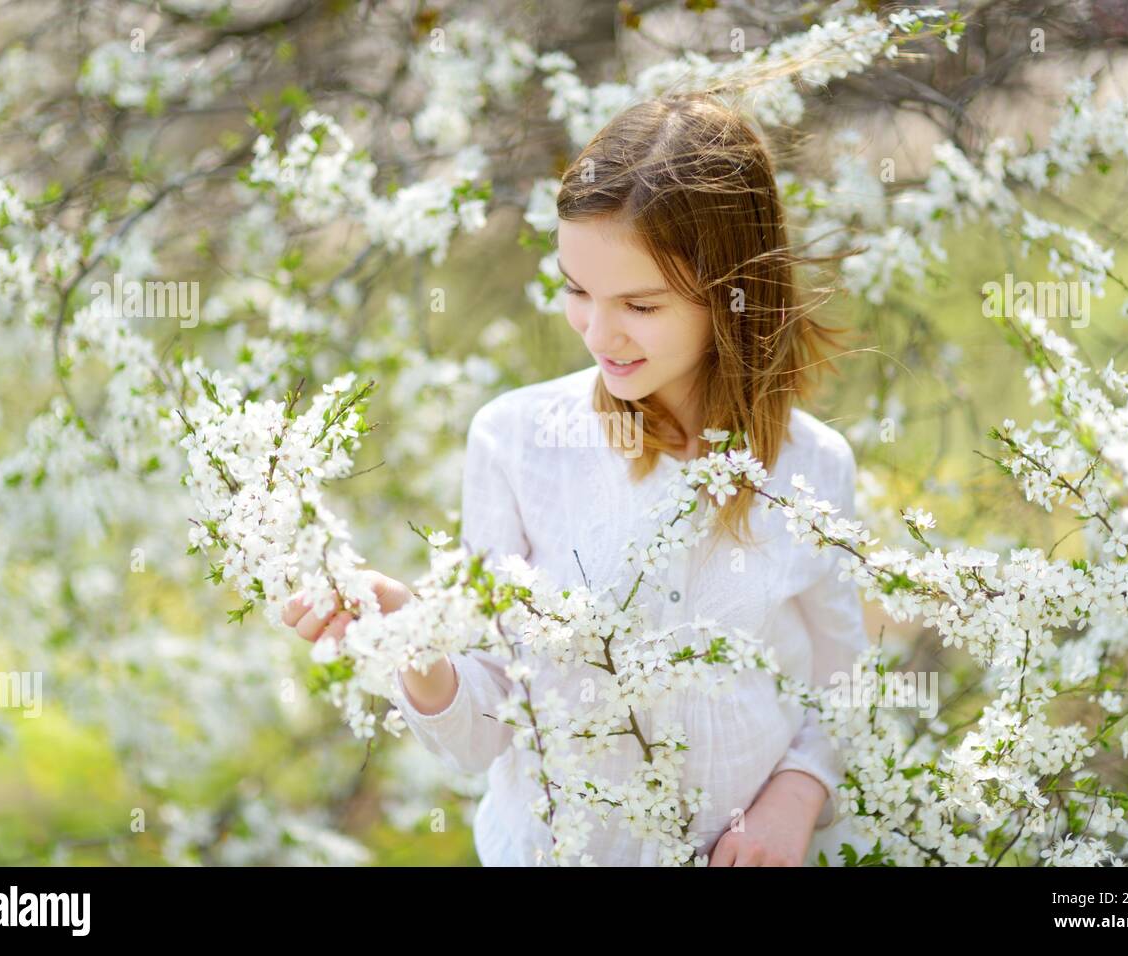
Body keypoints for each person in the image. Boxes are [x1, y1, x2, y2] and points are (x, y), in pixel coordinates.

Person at [284, 91, 871, 866]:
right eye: (575, 289)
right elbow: (488, 724)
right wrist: (413, 641)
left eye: (640, 303)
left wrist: (795, 797)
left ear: (733, 294)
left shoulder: (812, 466)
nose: (599, 332)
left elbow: (843, 686)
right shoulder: (517, 443)